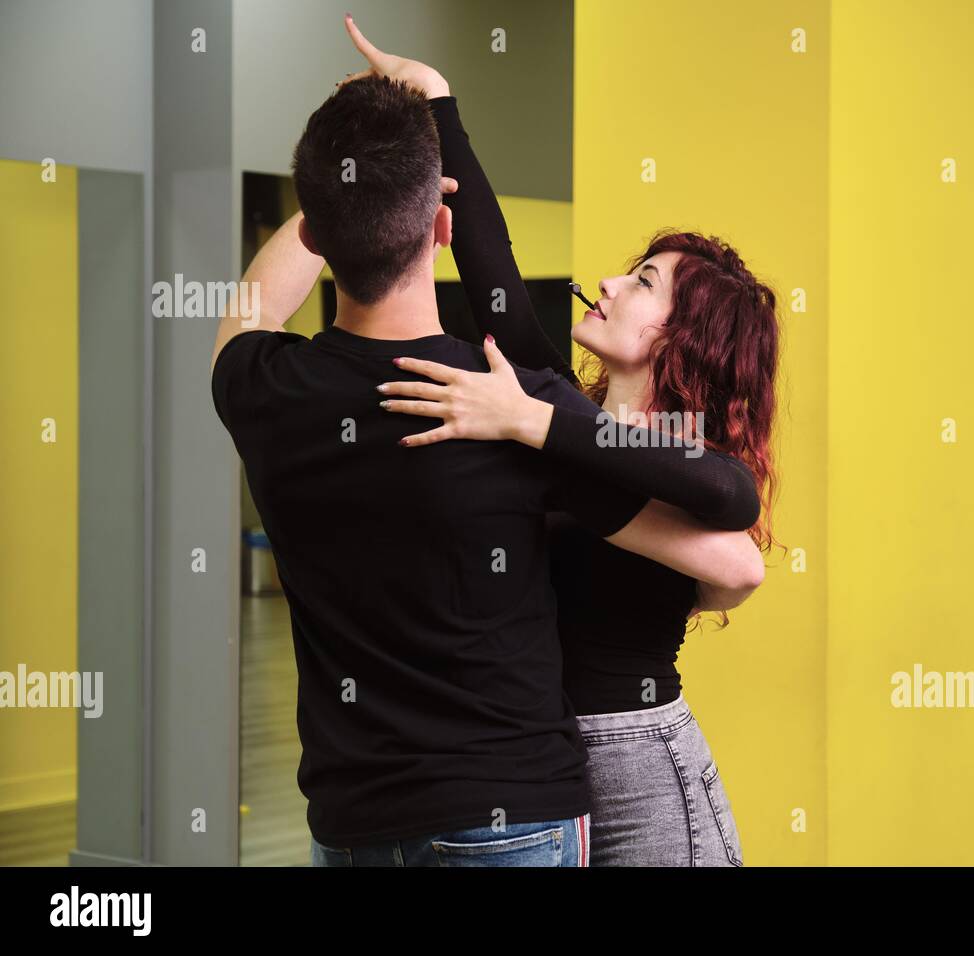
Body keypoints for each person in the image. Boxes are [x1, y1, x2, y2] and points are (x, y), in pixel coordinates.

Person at [208, 14, 764, 868]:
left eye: (645, 280)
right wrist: (435, 108)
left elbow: (737, 526)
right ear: (434, 227)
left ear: (683, 338)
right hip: (537, 787)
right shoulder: (525, 391)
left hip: (635, 766)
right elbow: (493, 268)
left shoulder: (533, 414)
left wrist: (528, 422)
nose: (612, 280)